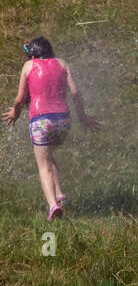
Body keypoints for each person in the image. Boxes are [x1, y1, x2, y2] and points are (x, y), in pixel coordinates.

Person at [4, 37, 100, 220]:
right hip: (63, 121)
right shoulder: (62, 63)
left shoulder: (29, 66)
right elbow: (76, 94)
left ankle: (53, 206)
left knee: (43, 166)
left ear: (32, 54)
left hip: (41, 121)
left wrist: (15, 113)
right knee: (48, 156)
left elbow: (19, 99)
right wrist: (83, 117)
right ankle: (61, 195)